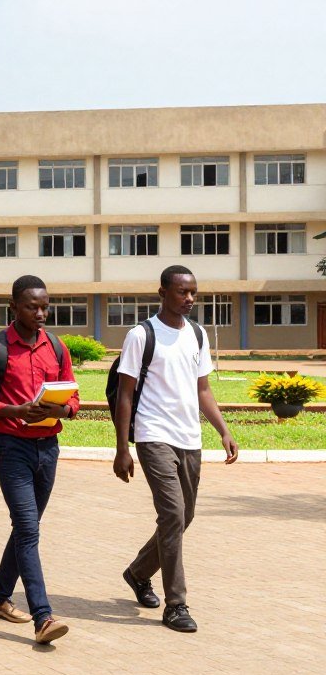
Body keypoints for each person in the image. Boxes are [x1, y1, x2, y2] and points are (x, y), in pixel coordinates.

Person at [113, 265, 238, 633]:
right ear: (162, 293)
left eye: (193, 293)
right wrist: (123, 447)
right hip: (154, 436)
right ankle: (176, 605)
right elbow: (125, 393)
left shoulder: (198, 335)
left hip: (189, 438)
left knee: (184, 518)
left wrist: (223, 430)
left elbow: (203, 390)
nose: (189, 299)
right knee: (172, 515)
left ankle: (137, 573)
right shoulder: (141, 335)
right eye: (183, 292)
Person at [0, 275, 79, 645]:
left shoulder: (57, 348)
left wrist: (64, 409)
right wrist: (14, 409)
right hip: (10, 446)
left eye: (45, 306)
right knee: (28, 529)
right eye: (32, 306)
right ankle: (43, 617)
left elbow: (74, 398)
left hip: (48, 448)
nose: (41, 313)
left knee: (25, 529)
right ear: (14, 307)